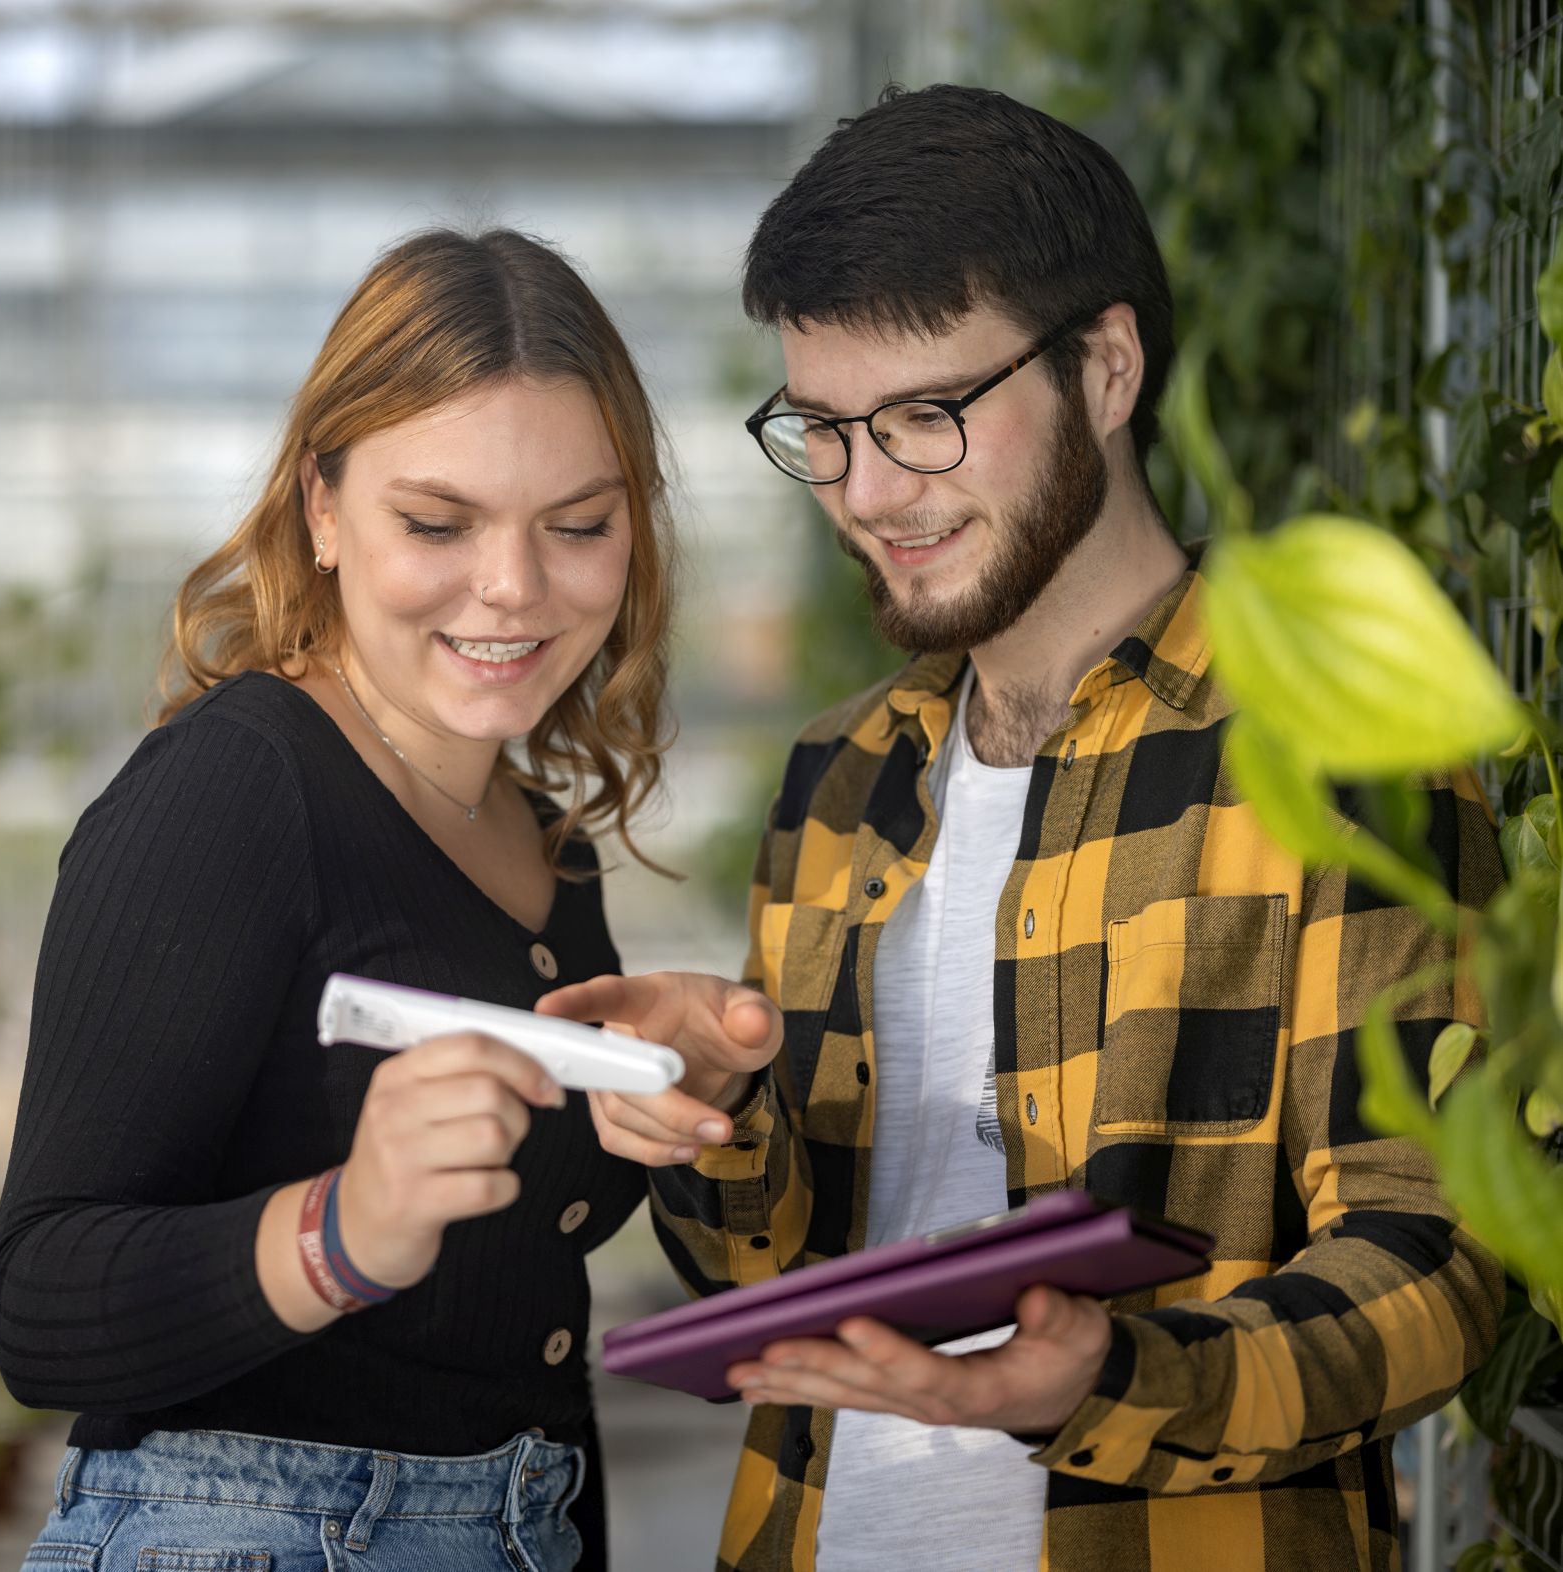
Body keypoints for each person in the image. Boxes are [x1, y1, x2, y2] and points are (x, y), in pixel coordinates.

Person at [546, 84, 1502, 1571]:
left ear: (1105, 368)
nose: (867, 494)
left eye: (926, 419)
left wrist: (1109, 1380)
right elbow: (772, 1269)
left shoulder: (1332, 749)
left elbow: (1432, 1256)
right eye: (824, 431)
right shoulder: (838, 778)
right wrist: (709, 1109)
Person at [0, 227, 678, 1572]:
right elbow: (43, 1301)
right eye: (435, 522)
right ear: (321, 507)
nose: (514, 589)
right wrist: (342, 1229)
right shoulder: (231, 795)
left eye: (579, 526)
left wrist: (653, 1077)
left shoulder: (540, 837)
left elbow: (514, 1272)